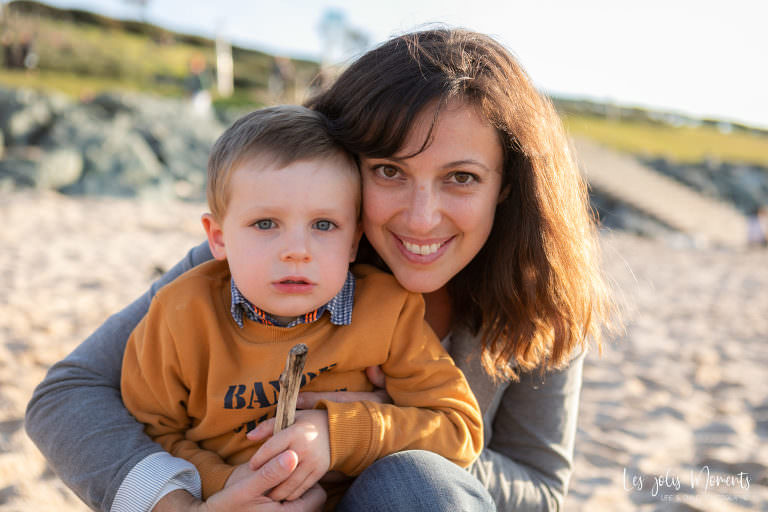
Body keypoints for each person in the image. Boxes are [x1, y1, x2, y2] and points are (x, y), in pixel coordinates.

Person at [26, 27, 613, 512]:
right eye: (389, 170)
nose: (421, 217)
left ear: (506, 186)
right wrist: (189, 504)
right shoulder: (268, 256)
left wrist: (365, 429)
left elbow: (541, 492)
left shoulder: (541, 299)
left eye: (461, 178)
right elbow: (68, 396)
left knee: (412, 482)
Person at [120, 104, 483, 505]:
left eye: (323, 225)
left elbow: (459, 429)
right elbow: (147, 433)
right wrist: (225, 482)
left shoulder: (387, 310)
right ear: (218, 237)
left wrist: (338, 433)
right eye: (265, 224)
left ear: (353, 241)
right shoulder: (181, 314)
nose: (296, 251)